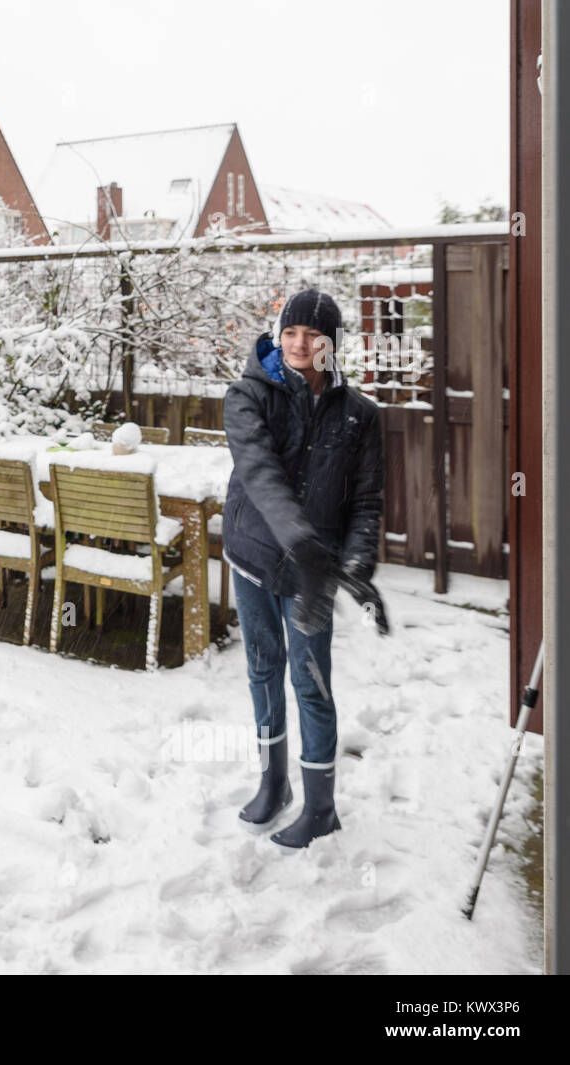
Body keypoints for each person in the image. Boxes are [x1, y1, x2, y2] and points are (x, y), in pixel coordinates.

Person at [220, 289, 386, 849]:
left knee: (311, 684)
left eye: (314, 336)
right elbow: (260, 474)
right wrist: (305, 544)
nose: (299, 344)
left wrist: (358, 565)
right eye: (291, 332)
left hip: (310, 580)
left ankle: (320, 808)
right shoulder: (247, 396)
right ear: (279, 333)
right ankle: (273, 782)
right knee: (263, 671)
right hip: (255, 560)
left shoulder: (360, 415)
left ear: (332, 345)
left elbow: (366, 501)